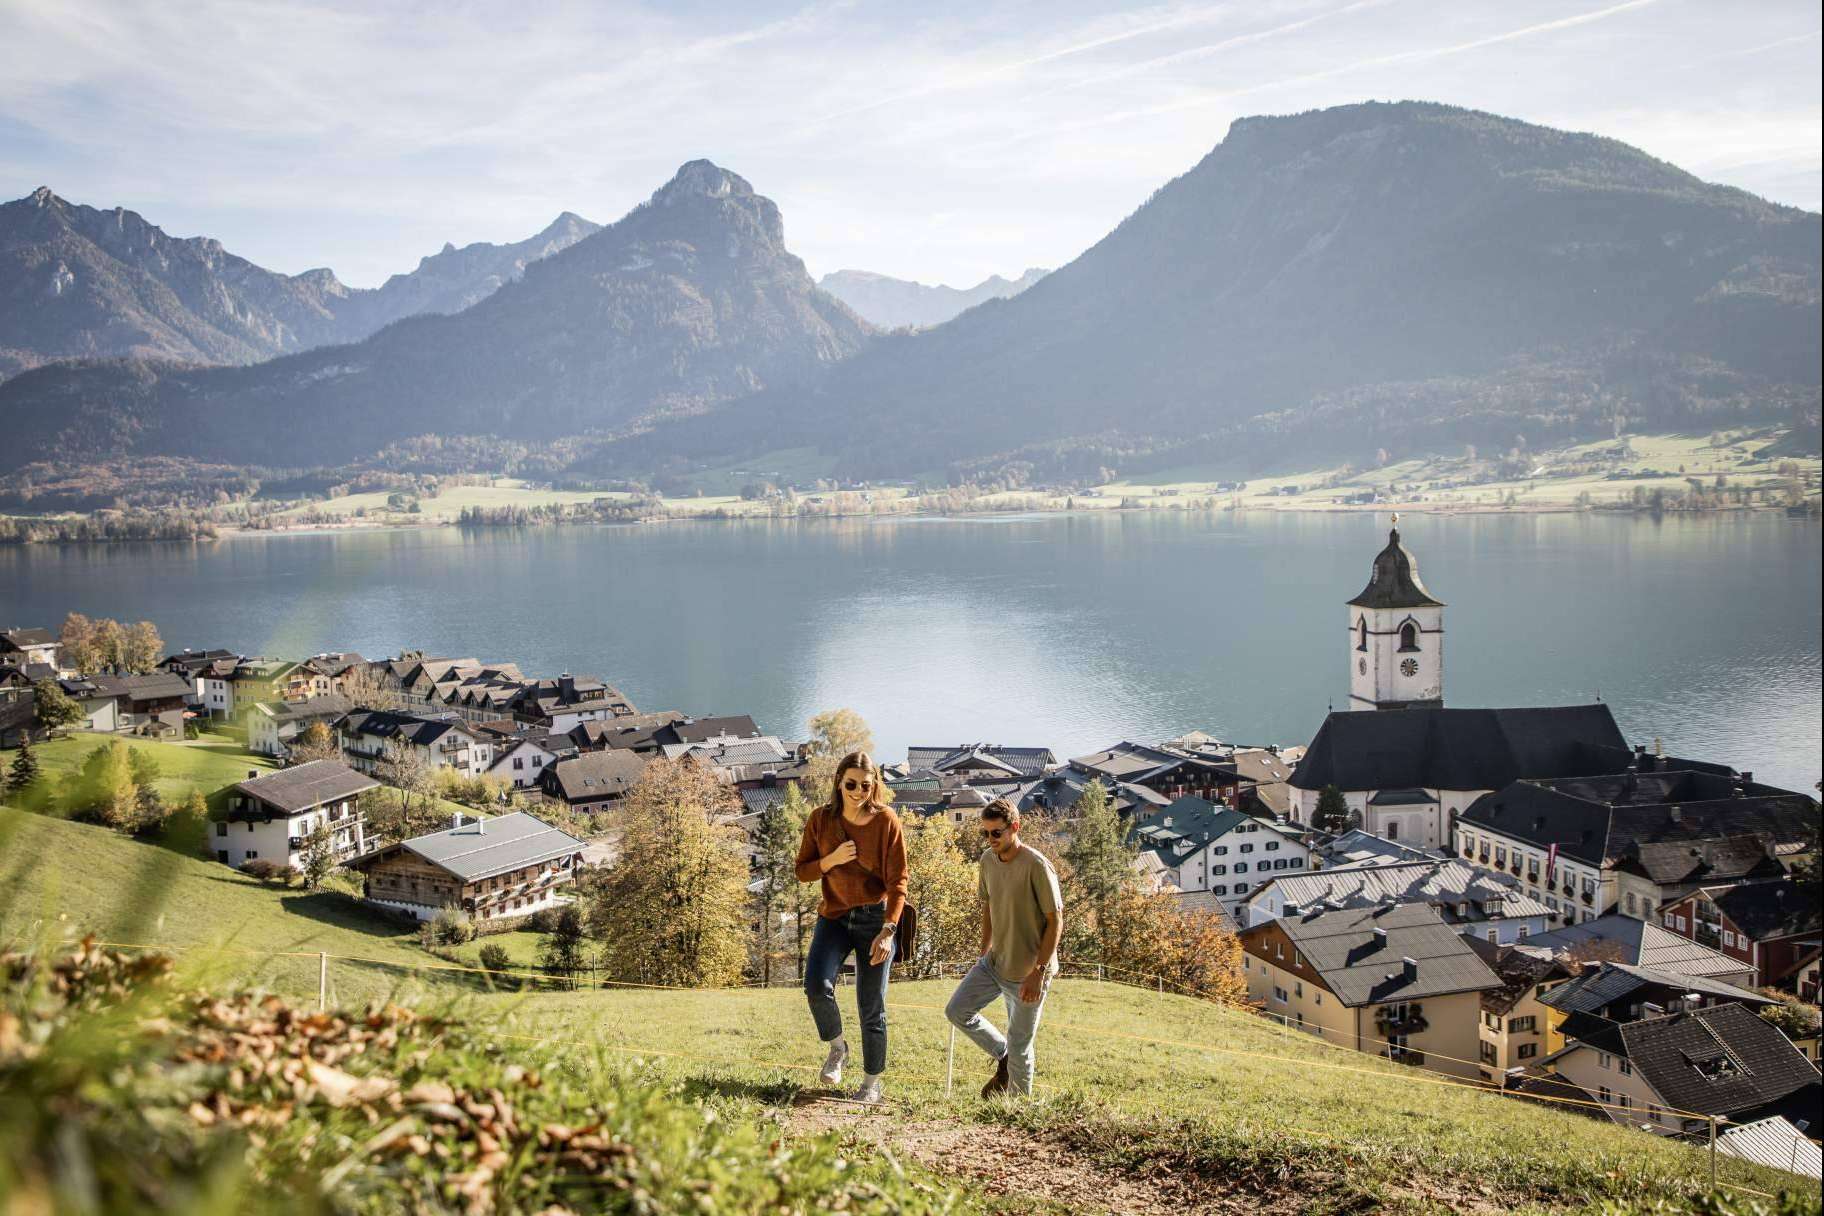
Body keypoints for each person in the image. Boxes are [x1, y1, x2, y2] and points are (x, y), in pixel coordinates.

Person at [795, 750, 908, 1104]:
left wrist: (889, 930)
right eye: (851, 784)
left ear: (874, 786)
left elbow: (899, 882)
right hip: (835, 917)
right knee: (816, 985)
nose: (859, 791)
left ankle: (871, 1084)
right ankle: (838, 1048)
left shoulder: (886, 821)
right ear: (838, 783)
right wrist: (830, 860)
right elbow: (803, 872)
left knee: (871, 1006)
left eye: (865, 785)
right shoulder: (821, 820)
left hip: (876, 921)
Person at [945, 798, 1062, 1098]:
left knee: (1021, 1045)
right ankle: (1002, 1054)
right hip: (995, 963)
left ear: (1015, 828)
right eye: (985, 833)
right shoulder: (987, 860)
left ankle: (1017, 1111)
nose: (990, 839)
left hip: (1029, 973)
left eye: (996, 833)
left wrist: (1039, 971)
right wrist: (983, 950)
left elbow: (1056, 920)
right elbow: (988, 906)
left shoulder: (1036, 865)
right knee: (957, 1010)